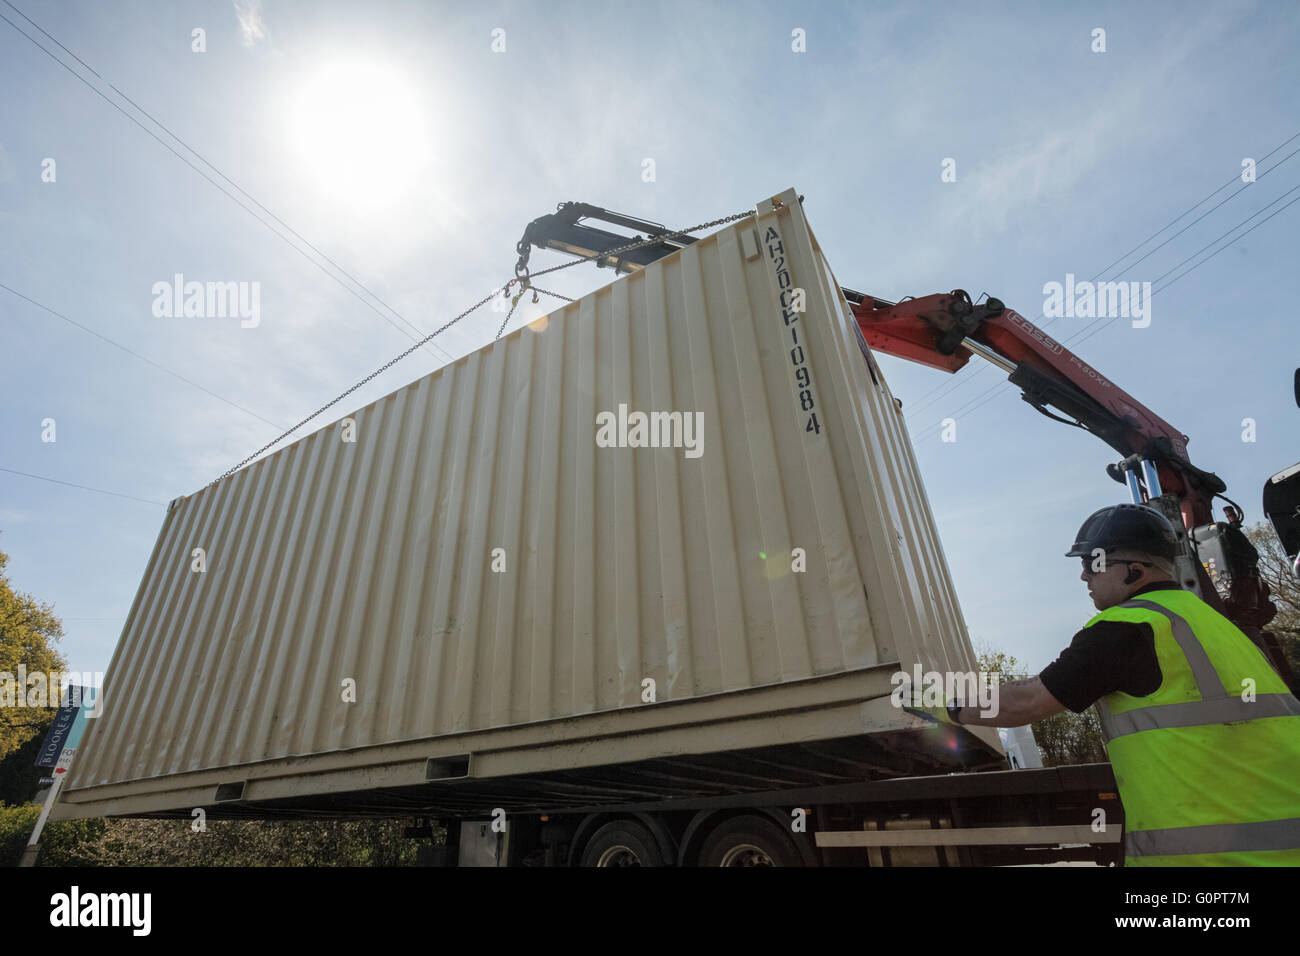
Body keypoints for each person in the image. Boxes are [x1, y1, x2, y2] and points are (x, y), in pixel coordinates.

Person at [946, 503, 1300, 866]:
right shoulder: (1210, 622)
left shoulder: (1127, 628)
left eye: (1092, 564)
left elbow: (1030, 700)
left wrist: (951, 707)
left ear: (1135, 571)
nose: (1085, 576)